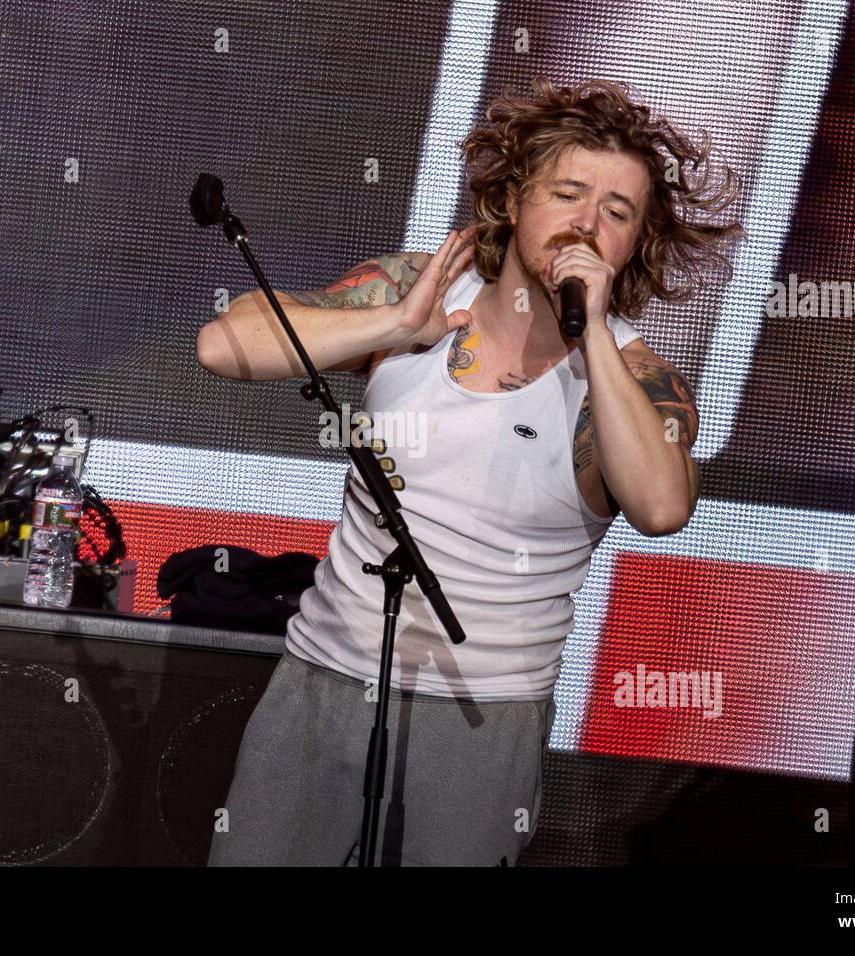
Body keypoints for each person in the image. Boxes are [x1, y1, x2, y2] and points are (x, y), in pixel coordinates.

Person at [196, 76, 743, 866]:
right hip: (324, 676)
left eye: (617, 213)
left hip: (483, 714)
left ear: (633, 246)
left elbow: (661, 506)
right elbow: (225, 344)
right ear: (517, 199)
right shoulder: (421, 292)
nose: (586, 222)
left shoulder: (633, 379)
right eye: (568, 192)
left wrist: (589, 332)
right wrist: (393, 324)